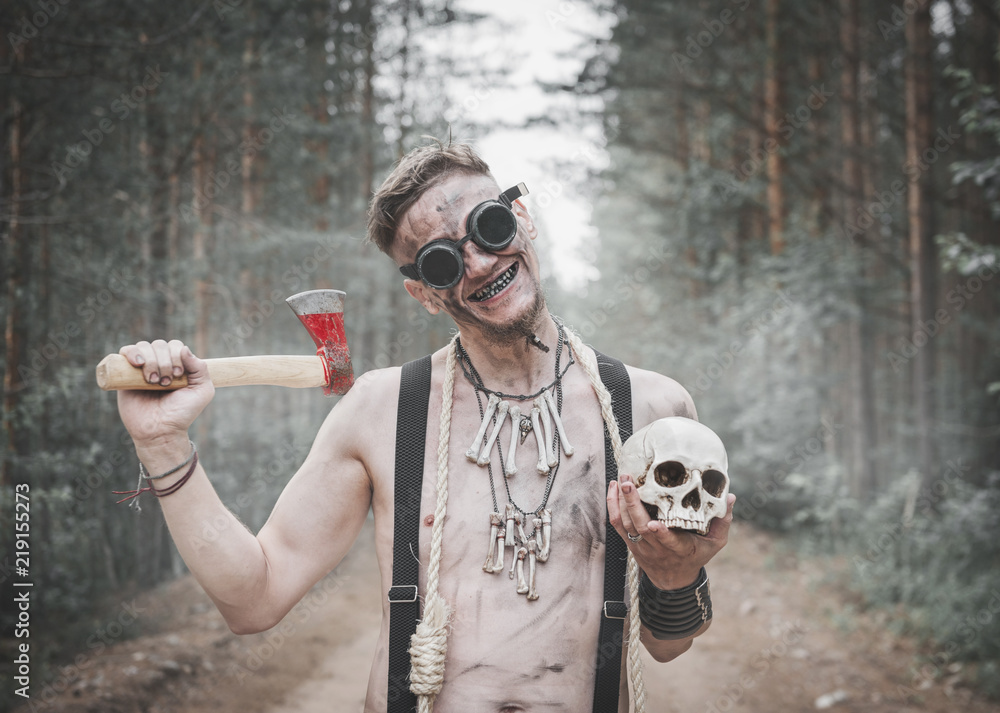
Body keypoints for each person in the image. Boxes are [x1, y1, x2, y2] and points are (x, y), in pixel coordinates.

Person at [115, 141, 735, 713]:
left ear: (522, 217)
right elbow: (255, 599)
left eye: (490, 226)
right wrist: (162, 444)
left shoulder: (650, 411)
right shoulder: (381, 410)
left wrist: (676, 576)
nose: (480, 262)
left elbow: (669, 644)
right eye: (442, 262)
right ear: (424, 294)